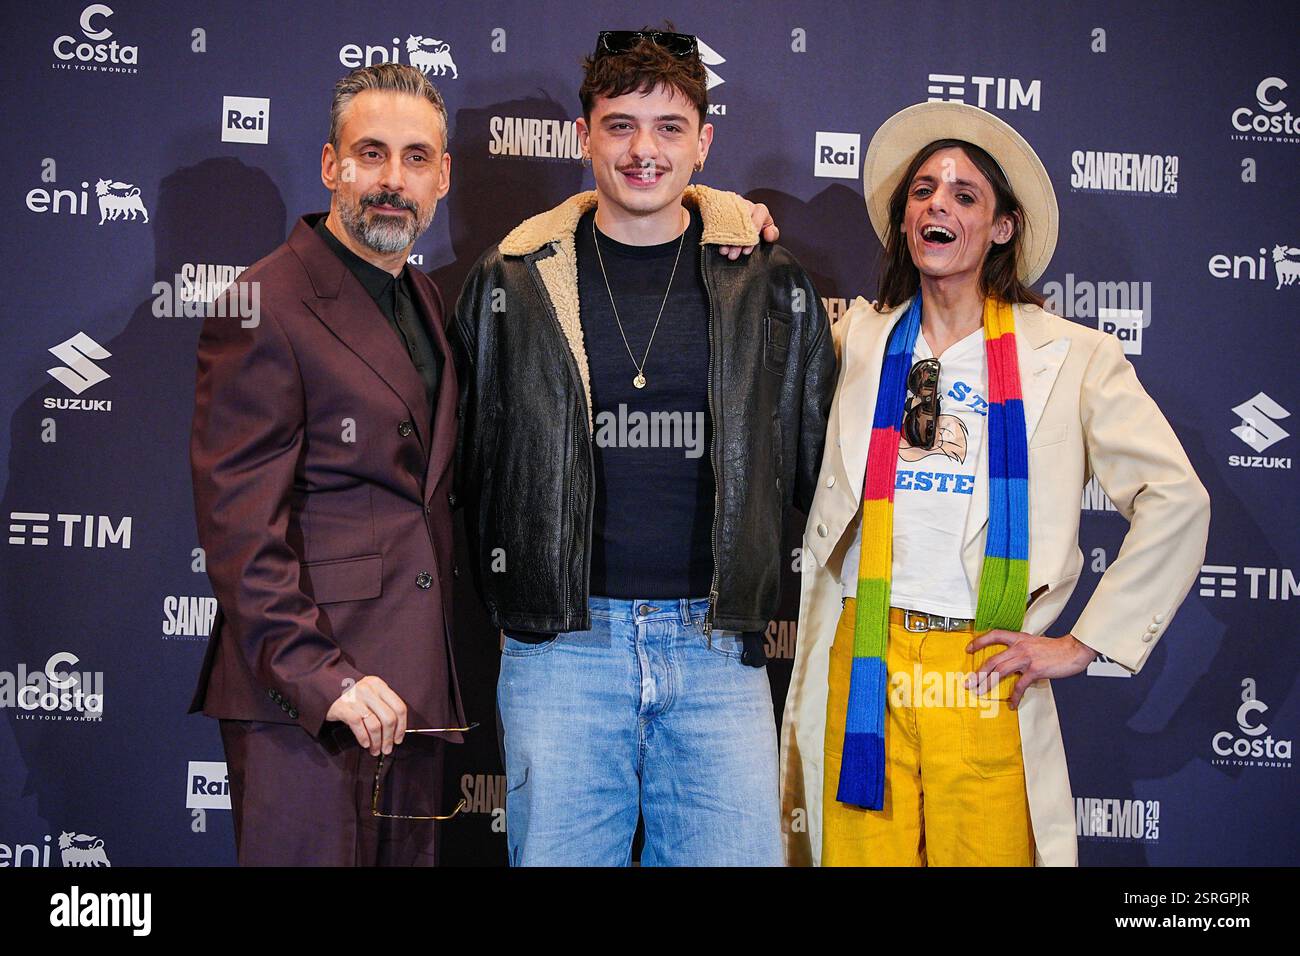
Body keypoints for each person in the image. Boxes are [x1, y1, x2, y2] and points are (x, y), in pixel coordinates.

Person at [779, 101, 1210, 866]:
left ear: (1001, 228)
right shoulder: (854, 337)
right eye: (922, 191)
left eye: (964, 194)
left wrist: (1083, 645)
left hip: (982, 668)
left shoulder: (1075, 357)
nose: (937, 204)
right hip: (865, 654)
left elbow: (1176, 498)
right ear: (904, 221)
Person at [452, 29, 835, 866]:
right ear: (584, 136)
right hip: (562, 651)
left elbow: (816, 462)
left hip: (715, 651)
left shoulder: (768, 279)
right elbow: (469, 461)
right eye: (620, 125)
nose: (643, 151)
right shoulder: (510, 278)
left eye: (668, 127)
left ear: (704, 142)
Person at [190, 63, 467, 865]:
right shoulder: (264, 303)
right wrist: (326, 680)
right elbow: (241, 534)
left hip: (413, 699)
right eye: (370, 153)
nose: (392, 180)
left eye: (416, 158)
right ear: (329, 165)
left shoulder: (424, 297)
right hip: (306, 710)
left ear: (442, 176)